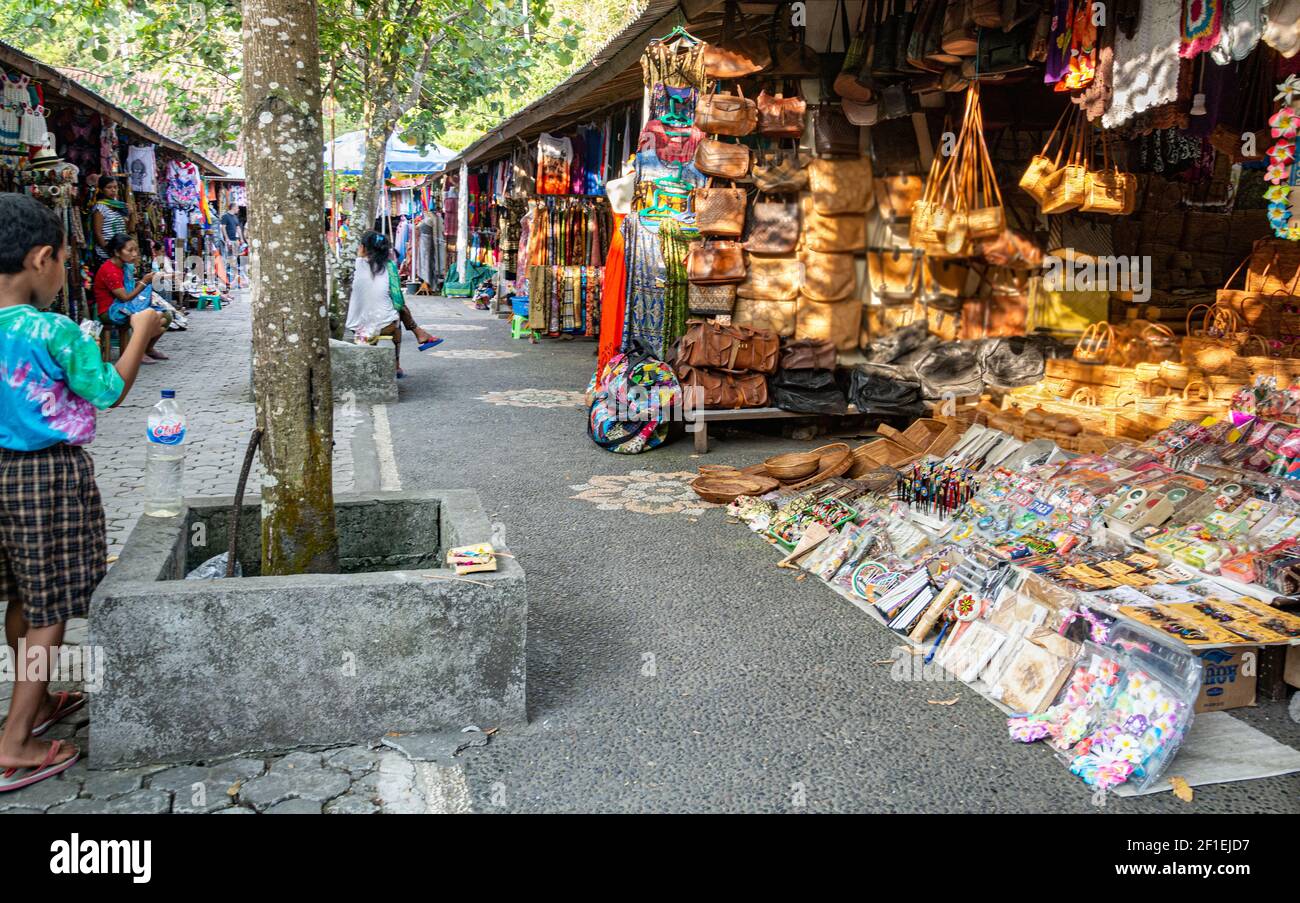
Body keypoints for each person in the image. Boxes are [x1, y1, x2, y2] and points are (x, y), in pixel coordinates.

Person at [0, 194, 164, 791]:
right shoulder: (51, 330)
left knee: (21, 593)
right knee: (49, 610)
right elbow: (107, 391)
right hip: (45, 476)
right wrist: (140, 333)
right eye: (65, 261)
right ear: (41, 258)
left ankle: (37, 701)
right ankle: (15, 739)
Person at [345, 231, 442, 378]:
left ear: (364, 247)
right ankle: (398, 362)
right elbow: (398, 301)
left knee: (394, 310)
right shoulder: (389, 266)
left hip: (356, 327)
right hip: (384, 326)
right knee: (397, 312)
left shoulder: (352, 265)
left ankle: (419, 334)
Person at [93, 235, 170, 363]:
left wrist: (152, 280)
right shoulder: (109, 270)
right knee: (147, 318)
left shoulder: (125, 267)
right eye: (130, 250)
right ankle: (137, 352)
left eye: (135, 250)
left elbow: (132, 289)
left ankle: (148, 348)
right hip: (111, 311)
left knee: (166, 316)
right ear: (117, 252)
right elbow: (125, 297)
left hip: (126, 306)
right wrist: (144, 282)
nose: (134, 254)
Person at [90, 177, 133, 264]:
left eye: (115, 187)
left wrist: (130, 214)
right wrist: (109, 251)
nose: (113, 190)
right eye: (109, 187)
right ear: (101, 190)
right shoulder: (100, 208)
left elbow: (126, 229)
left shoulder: (120, 207)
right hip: (106, 254)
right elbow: (97, 233)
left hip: (120, 253)